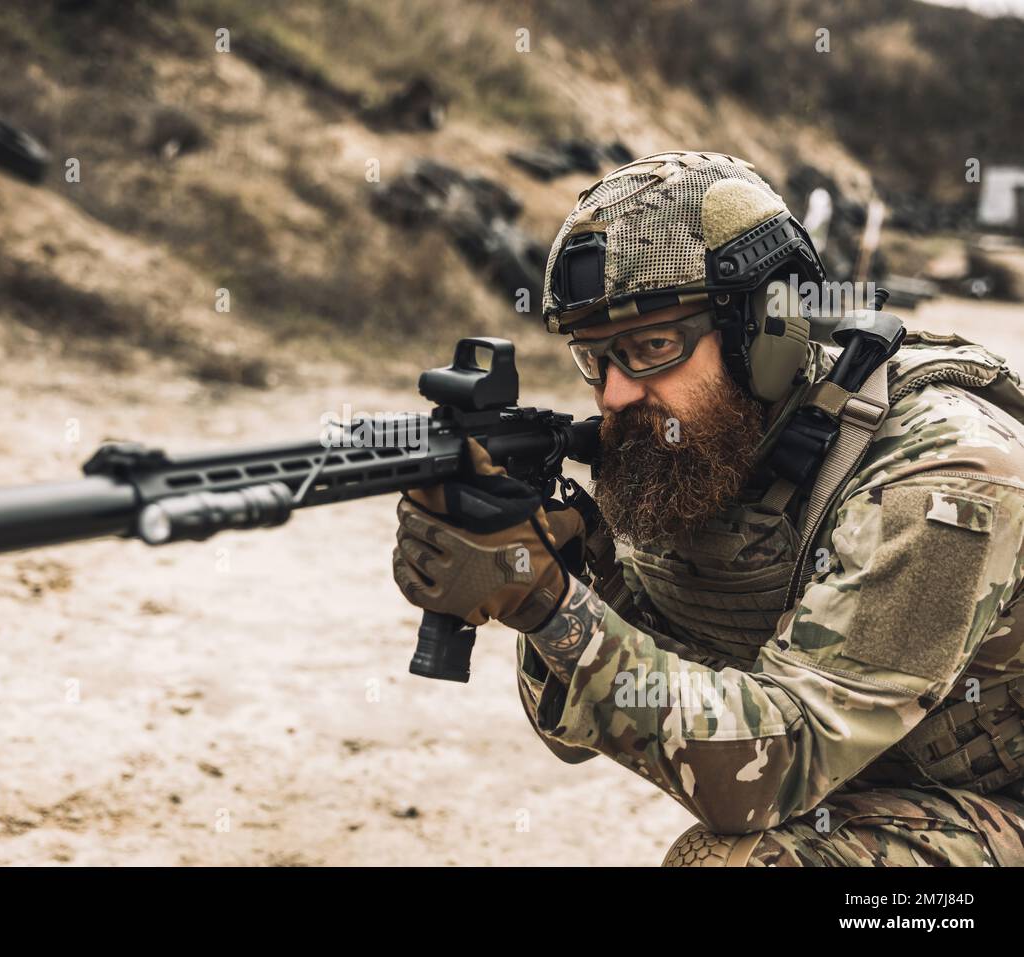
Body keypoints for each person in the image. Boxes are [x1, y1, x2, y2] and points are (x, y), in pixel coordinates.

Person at [392, 151, 1024, 866]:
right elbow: (572, 736)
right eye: (594, 356)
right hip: (896, 796)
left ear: (770, 328)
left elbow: (779, 762)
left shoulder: (947, 471)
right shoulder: (704, 455)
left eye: (654, 345)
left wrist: (547, 603)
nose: (615, 395)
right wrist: (573, 559)